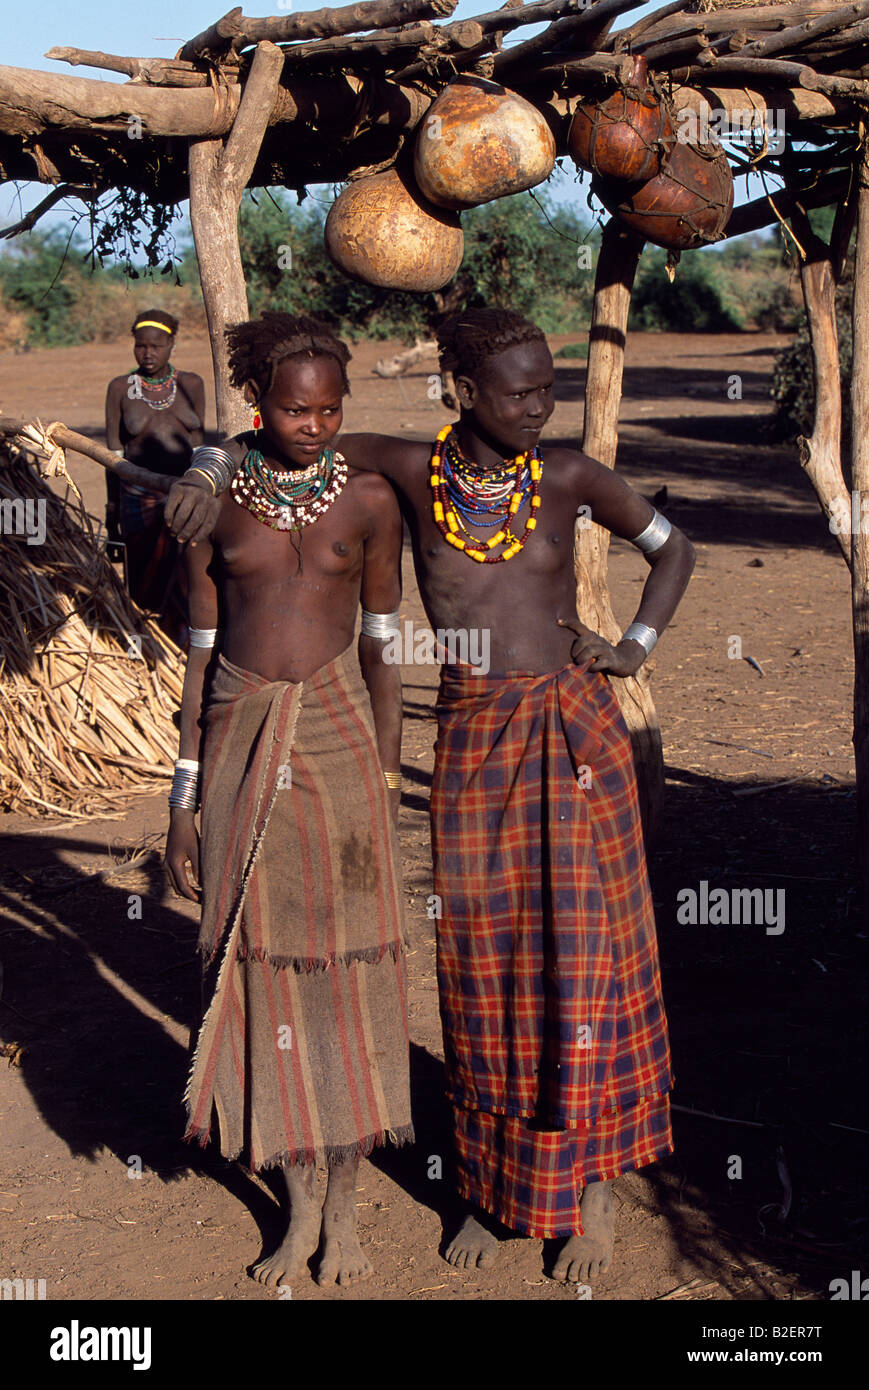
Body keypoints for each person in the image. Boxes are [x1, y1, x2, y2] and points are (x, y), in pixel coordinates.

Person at [165, 307, 694, 1285]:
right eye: (518, 391)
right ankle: (496, 1195)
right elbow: (279, 437)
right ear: (460, 391)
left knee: (581, 963)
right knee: (485, 972)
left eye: (549, 389)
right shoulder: (408, 469)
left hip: (570, 733)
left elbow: (673, 550)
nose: (539, 407)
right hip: (471, 736)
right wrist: (200, 470)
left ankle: (592, 1202)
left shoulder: (571, 476)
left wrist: (630, 647)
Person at [163, 312, 411, 1290]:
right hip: (236, 738)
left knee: (348, 968)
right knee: (257, 965)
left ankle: (345, 1202)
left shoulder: (368, 502)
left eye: (328, 409)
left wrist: (385, 771)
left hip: (342, 742)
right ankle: (296, 1200)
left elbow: (385, 643)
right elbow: (195, 656)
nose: (312, 425)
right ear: (258, 405)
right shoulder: (215, 508)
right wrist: (180, 799)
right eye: (292, 407)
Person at [105, 309, 206, 640]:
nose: (147, 354)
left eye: (156, 346)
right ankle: (145, 647)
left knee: (189, 579)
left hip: (185, 499)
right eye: (140, 346)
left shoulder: (191, 384)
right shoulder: (120, 388)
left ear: (172, 344)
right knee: (142, 583)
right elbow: (113, 457)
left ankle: (181, 650)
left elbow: (199, 450)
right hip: (136, 501)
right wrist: (112, 517)